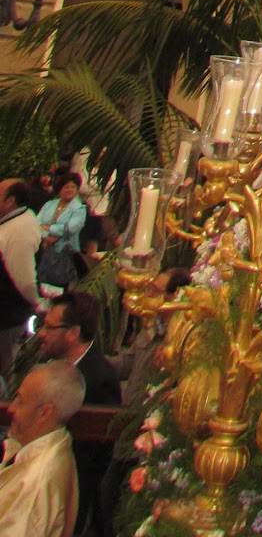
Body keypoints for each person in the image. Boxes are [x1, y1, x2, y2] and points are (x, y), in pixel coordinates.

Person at [36, 293, 119, 536]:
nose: (41, 333)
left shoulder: (99, 379)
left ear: (72, 333)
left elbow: (97, 453)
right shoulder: (53, 367)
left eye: (49, 327)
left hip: (68, 493)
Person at [0, 359, 86, 537]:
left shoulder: (35, 485)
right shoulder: (59, 442)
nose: (11, 409)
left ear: (44, 413)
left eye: (20, 401)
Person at [0, 180, 40, 383]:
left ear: (11, 201)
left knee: (4, 371)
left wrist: (37, 303)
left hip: (7, 316)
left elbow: (24, 282)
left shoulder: (19, 230)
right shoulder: (15, 221)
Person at [35, 178, 86, 292]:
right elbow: (37, 222)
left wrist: (48, 228)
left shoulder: (79, 209)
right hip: (45, 251)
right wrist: (45, 236)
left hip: (65, 253)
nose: (70, 189)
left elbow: (70, 228)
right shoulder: (49, 204)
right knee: (42, 286)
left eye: (73, 187)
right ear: (59, 190)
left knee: (60, 288)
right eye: (66, 187)